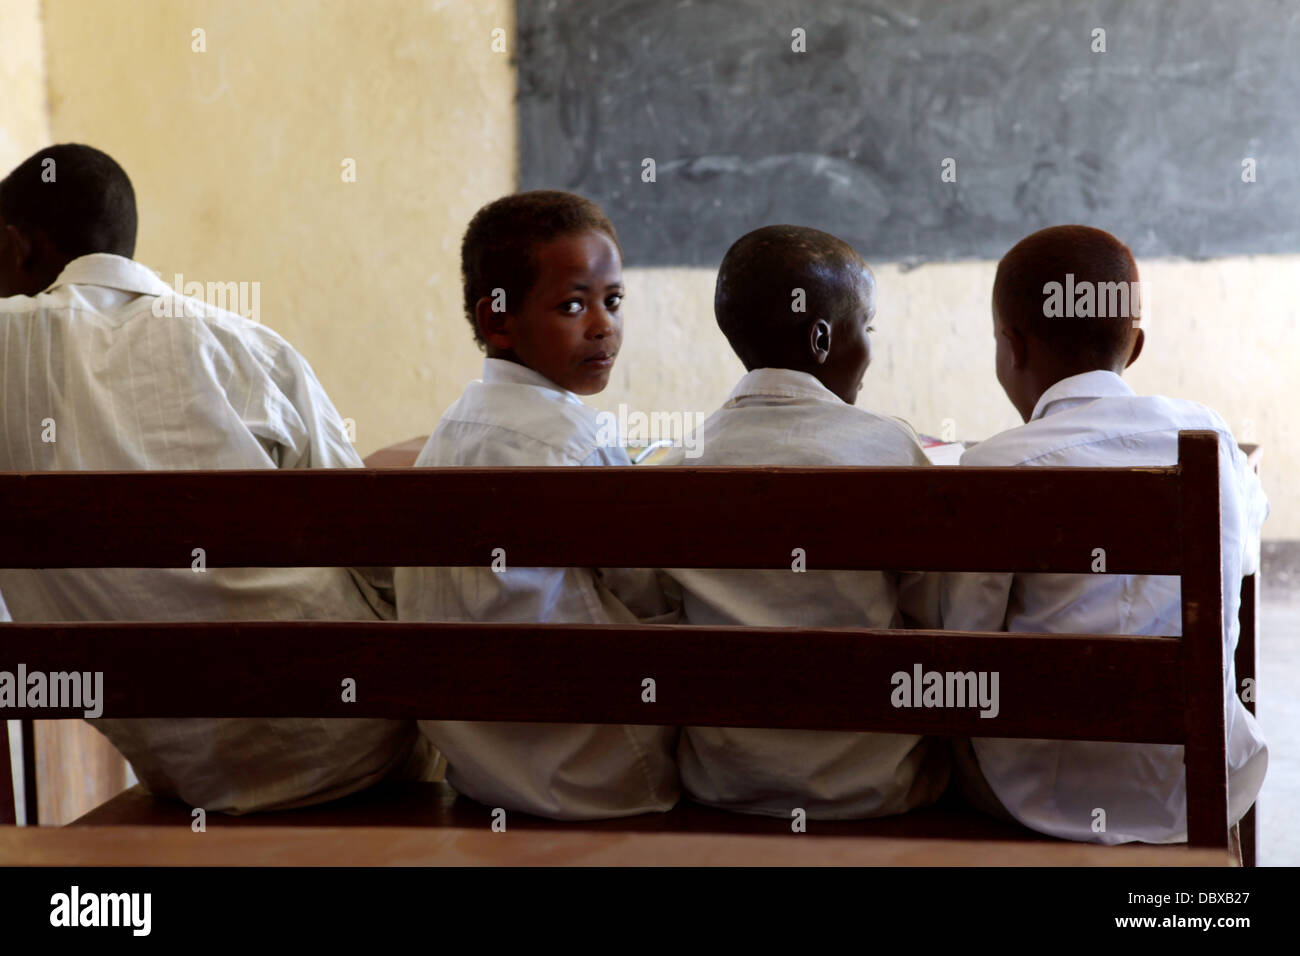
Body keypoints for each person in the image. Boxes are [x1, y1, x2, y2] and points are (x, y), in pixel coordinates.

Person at [0, 143, 435, 813]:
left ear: (16, 245)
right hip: (354, 747)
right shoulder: (241, 344)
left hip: (186, 777)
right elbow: (370, 547)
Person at [942, 224, 1268, 844]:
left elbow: (963, 639)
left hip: (1037, 793)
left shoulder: (997, 468)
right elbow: (1243, 562)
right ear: (1135, 345)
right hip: (1196, 783)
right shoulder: (1212, 441)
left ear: (1010, 347)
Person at [395, 190, 679, 820]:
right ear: (498, 321)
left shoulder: (450, 434)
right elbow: (651, 595)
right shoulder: (578, 443)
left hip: (483, 771)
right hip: (604, 776)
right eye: (572, 305)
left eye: (613, 301)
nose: (603, 325)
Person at [663, 224, 947, 819]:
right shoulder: (889, 450)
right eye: (866, 329)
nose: (872, 349)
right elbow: (935, 612)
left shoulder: (680, 462)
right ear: (820, 338)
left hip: (722, 783)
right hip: (877, 787)